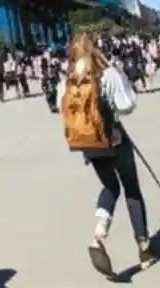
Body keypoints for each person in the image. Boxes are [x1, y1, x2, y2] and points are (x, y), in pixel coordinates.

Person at [58, 32, 154, 276]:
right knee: (131, 187)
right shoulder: (106, 74)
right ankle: (144, 247)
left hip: (88, 143)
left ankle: (99, 233)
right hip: (115, 140)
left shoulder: (68, 80)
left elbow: (60, 106)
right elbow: (127, 105)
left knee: (110, 186)